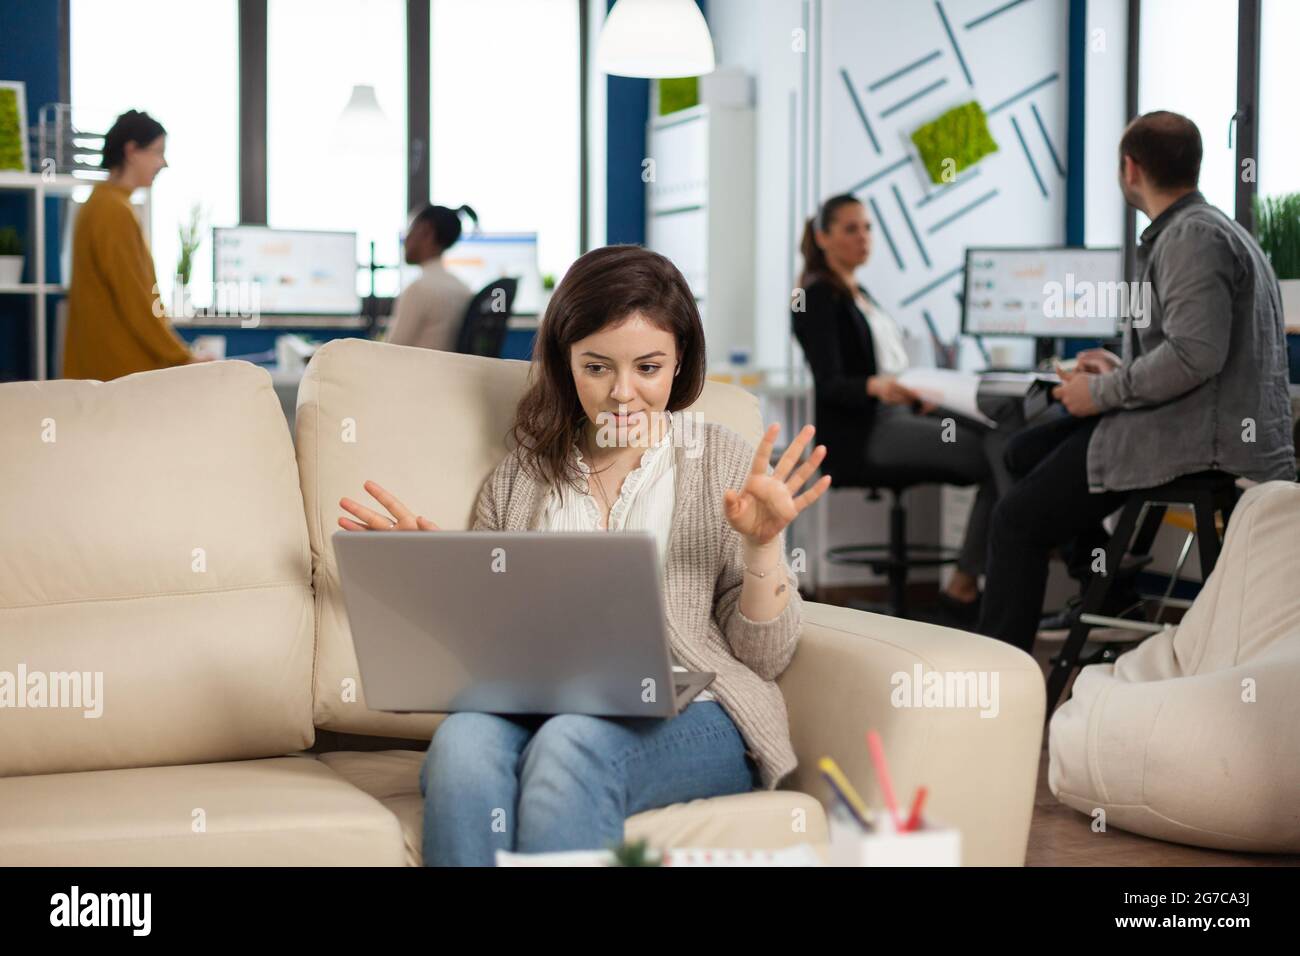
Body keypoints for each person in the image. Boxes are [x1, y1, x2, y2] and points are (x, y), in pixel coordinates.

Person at [337, 245, 831, 866]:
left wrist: (763, 546)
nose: (623, 395)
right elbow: (484, 651)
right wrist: (431, 581)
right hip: (539, 704)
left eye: (648, 368)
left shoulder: (723, 463)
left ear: (680, 362)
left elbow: (765, 656)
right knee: (462, 747)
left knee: (571, 746)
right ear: (566, 364)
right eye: (597, 368)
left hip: (697, 712)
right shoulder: (521, 475)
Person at [977, 110, 1295, 653]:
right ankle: (1113, 586)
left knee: (1014, 521)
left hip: (1197, 443)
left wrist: (1099, 392)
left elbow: (1195, 357)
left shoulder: (1190, 238)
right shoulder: (1214, 229)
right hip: (1196, 424)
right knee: (1021, 450)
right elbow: (1195, 352)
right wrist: (1119, 372)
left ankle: (996, 683)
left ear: (1130, 168)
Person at [791, 194, 998, 622]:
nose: (864, 238)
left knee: (1003, 434)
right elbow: (831, 385)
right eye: (851, 229)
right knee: (995, 453)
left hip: (901, 413)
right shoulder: (815, 297)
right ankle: (963, 588)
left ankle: (970, 585)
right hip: (868, 433)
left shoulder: (859, 293)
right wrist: (877, 386)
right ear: (823, 236)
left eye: (867, 227)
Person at [64, 110, 208, 380]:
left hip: (108, 374)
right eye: (157, 152)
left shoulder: (103, 203)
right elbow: (136, 301)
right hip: (120, 376)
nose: (163, 163)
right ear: (131, 151)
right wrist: (184, 357)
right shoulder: (113, 211)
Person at [384, 203, 477, 351]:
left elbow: (389, 351)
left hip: (417, 373)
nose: (406, 240)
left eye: (411, 230)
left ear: (426, 231)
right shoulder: (464, 289)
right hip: (445, 371)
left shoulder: (419, 289)